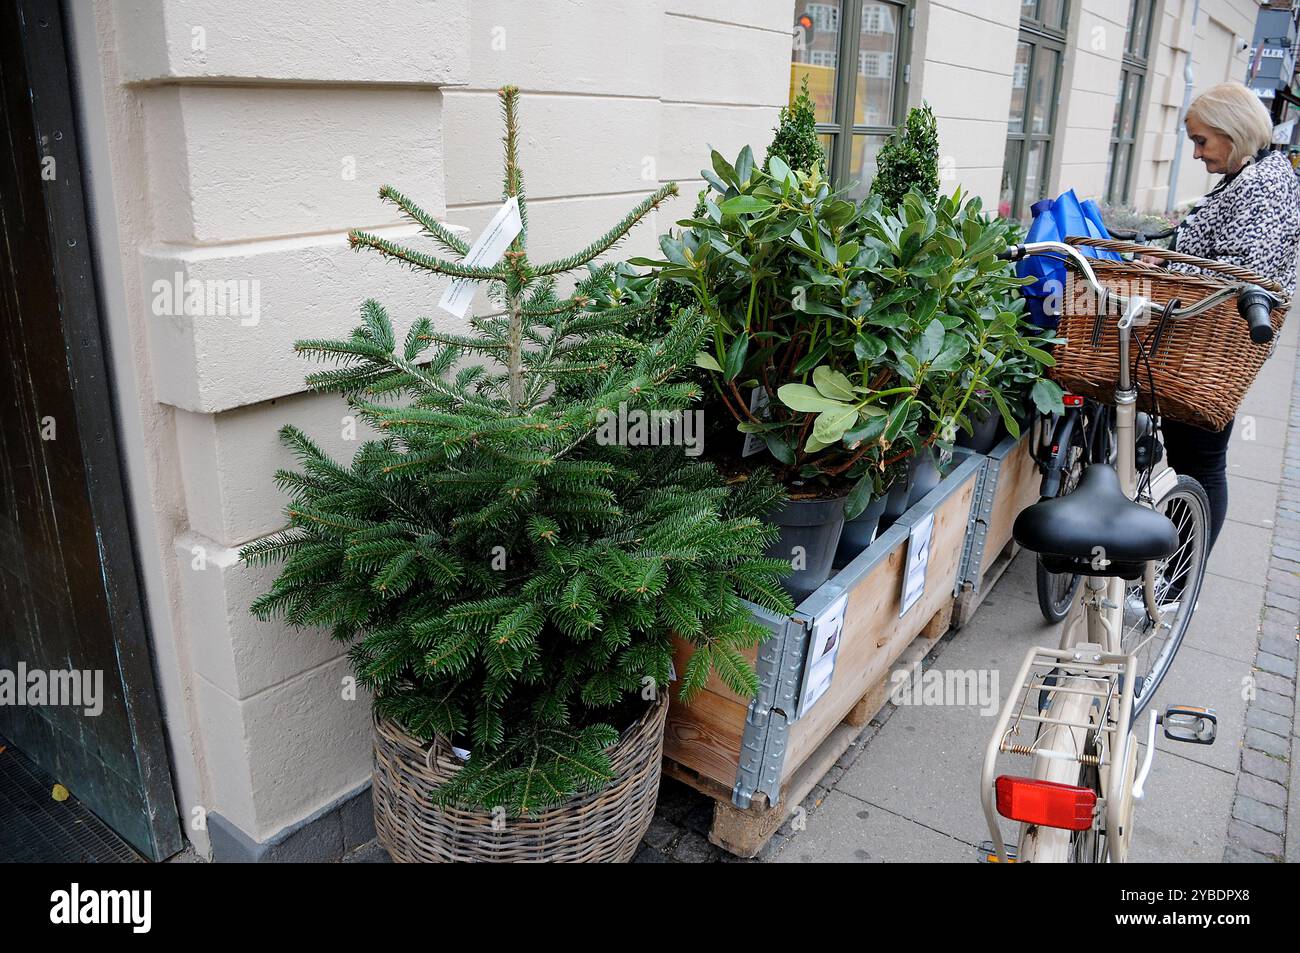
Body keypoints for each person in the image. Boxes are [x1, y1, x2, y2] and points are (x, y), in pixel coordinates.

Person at [1158, 82, 1300, 555]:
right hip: (1206, 343)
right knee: (1190, 459)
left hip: (1217, 348)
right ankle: (1173, 576)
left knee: (1200, 462)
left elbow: (1237, 272)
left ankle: (1177, 589)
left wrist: (1166, 270)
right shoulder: (1252, 176)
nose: (1196, 153)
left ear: (1233, 131)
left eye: (1201, 141)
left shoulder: (1264, 185)